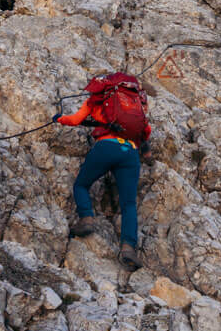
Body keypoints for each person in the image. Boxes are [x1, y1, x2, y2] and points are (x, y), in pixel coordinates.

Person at [53, 72, 152, 268]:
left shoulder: (97, 99)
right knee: (129, 205)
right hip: (130, 151)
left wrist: (58, 118)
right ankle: (128, 247)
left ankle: (86, 218)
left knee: (81, 185)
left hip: (106, 146)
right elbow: (146, 131)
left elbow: (75, 120)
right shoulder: (135, 104)